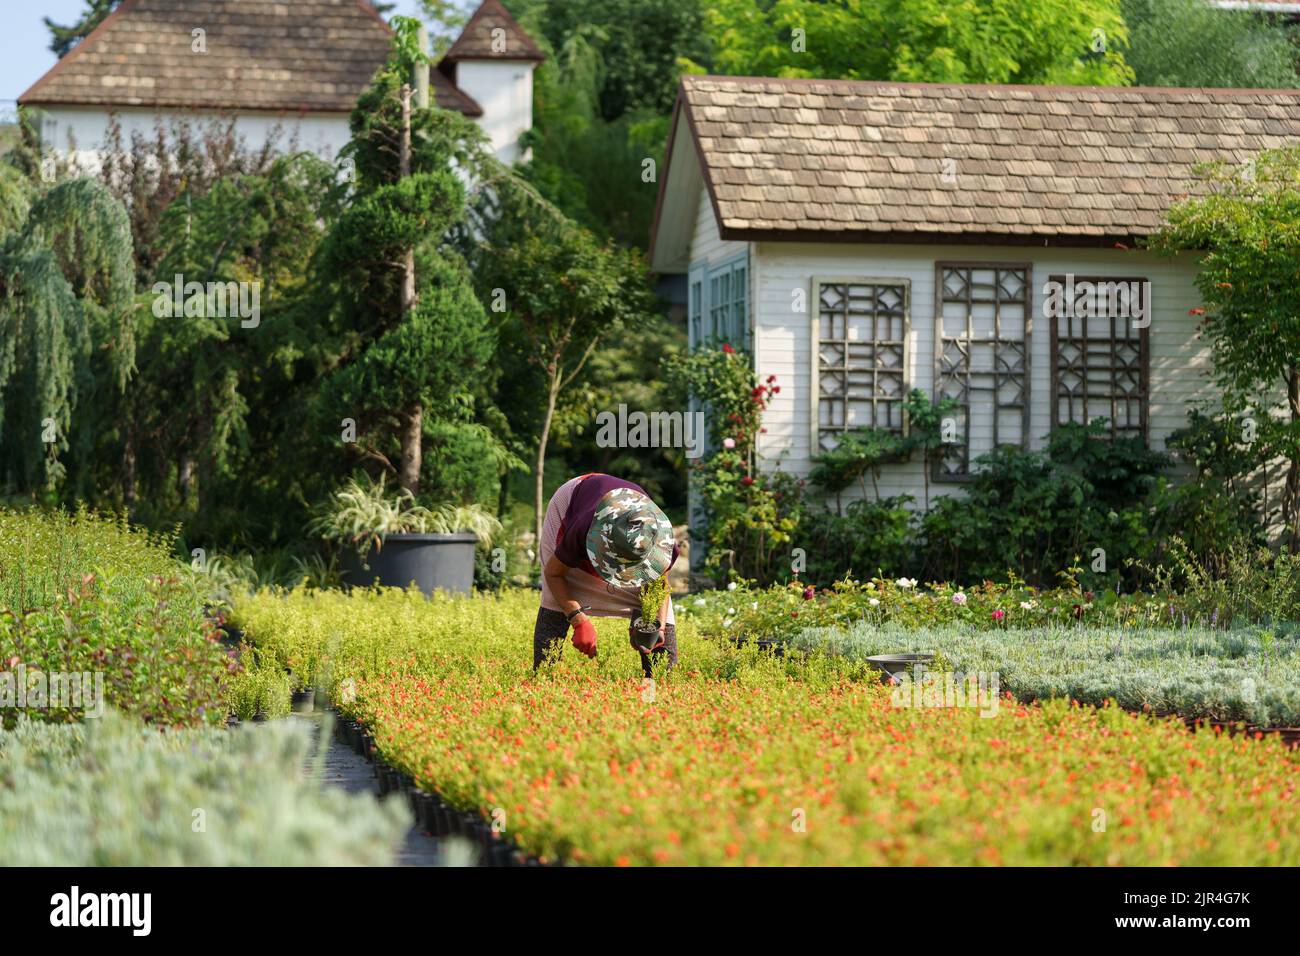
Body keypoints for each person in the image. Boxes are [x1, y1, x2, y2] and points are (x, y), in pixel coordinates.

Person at [534, 473, 678, 677]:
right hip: (574, 503)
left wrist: (658, 628)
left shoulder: (660, 538)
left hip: (624, 530)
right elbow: (554, 574)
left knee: (663, 661)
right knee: (554, 606)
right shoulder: (581, 528)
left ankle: (654, 695)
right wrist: (577, 618)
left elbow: (658, 587)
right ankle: (543, 682)